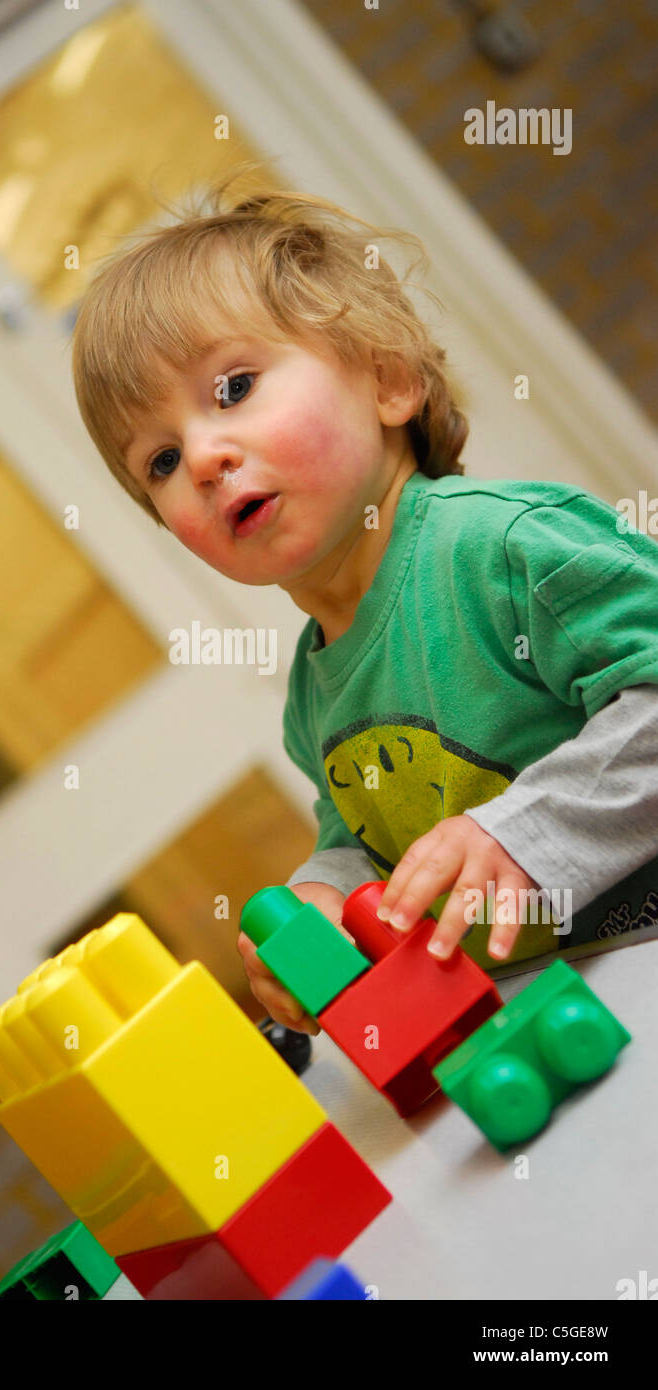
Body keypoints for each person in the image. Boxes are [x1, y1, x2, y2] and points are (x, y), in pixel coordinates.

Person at [71, 164, 658, 1036]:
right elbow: (367, 840)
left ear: (386, 380)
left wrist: (521, 835)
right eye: (159, 461)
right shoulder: (313, 696)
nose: (201, 458)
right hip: (559, 1024)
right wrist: (324, 898)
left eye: (234, 388)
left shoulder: (503, 549)